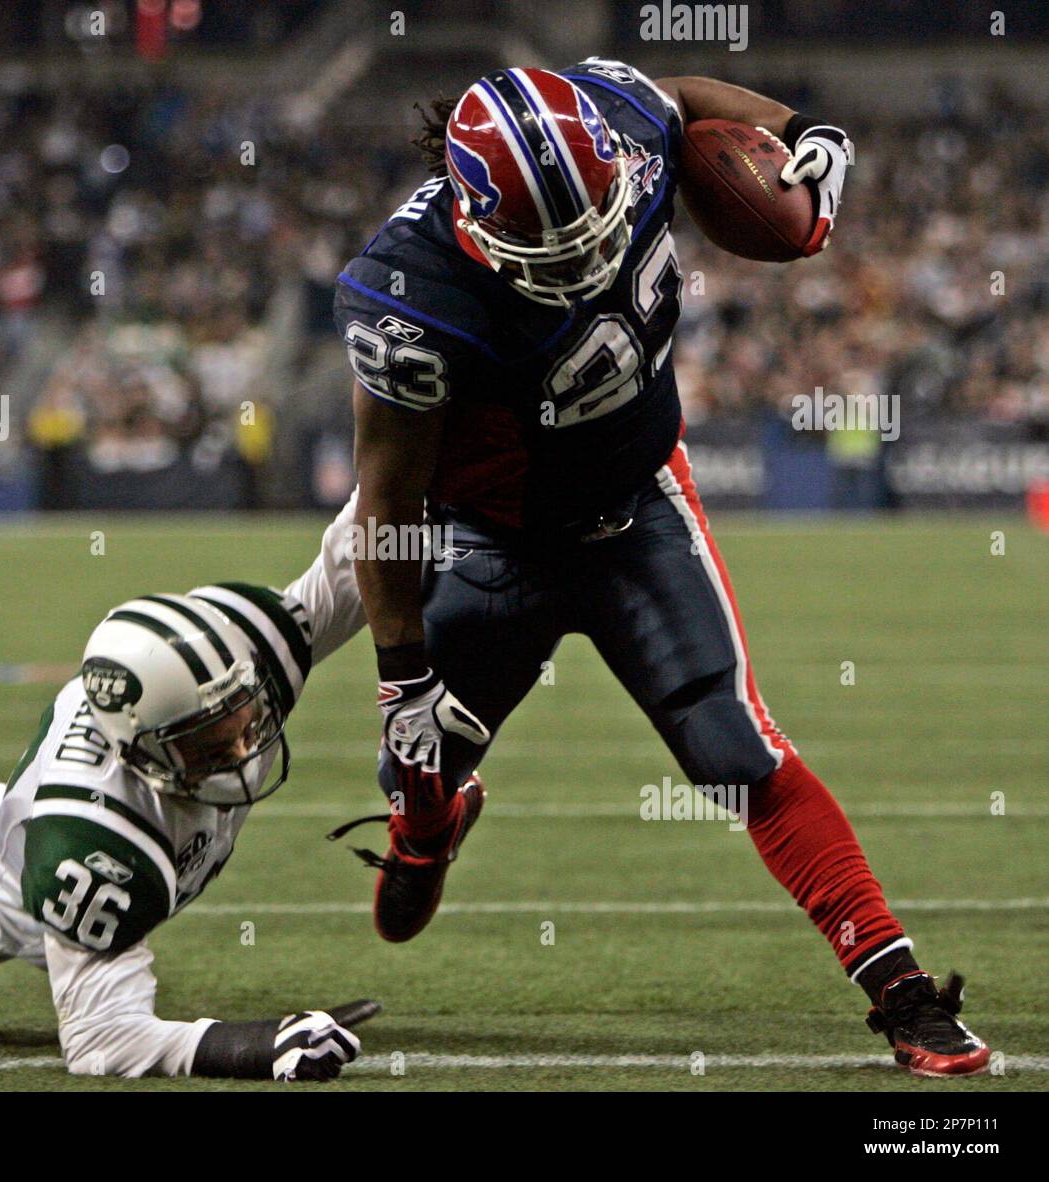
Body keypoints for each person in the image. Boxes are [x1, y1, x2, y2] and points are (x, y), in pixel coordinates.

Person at [333, 60, 989, 1076]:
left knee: (738, 753)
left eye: (592, 225)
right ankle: (428, 822)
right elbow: (389, 496)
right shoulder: (408, 292)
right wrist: (400, 672)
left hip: (637, 505)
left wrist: (800, 127)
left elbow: (683, 94)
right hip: (497, 541)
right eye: (547, 247)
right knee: (413, 754)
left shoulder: (625, 122)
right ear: (471, 220)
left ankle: (902, 991)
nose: (581, 261)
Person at [0, 497, 381, 1082]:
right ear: (143, 749)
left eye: (239, 715)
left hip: (19, 821)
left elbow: (348, 567)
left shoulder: (235, 653)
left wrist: (418, 455)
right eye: (207, 739)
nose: (242, 747)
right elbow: (102, 1042)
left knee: (0, 815)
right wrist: (250, 1045)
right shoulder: (91, 842)